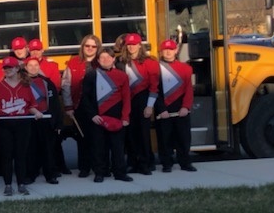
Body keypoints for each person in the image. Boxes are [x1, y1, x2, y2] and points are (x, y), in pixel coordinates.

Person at [0, 57, 43, 196]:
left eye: (10, 67)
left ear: (17, 68)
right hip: (4, 124)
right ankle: (7, 185)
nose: (7, 70)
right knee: (6, 156)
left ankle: (21, 184)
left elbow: (31, 106)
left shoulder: (25, 86)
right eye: (5, 68)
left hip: (22, 124)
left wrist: (36, 112)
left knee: (21, 155)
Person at [80, 47, 133, 183]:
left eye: (108, 57)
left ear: (113, 59)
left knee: (118, 147)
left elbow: (126, 98)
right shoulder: (91, 75)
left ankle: (120, 173)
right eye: (102, 58)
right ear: (98, 60)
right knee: (99, 147)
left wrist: (125, 117)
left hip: (117, 118)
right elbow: (85, 98)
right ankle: (100, 172)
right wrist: (92, 115)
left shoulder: (122, 75)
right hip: (98, 118)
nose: (105, 60)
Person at [118, 33, 159, 175]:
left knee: (143, 133)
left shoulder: (149, 62)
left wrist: (150, 106)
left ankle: (145, 163)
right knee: (129, 133)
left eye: (134, 44)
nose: (131, 47)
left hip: (143, 99)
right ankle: (132, 162)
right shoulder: (121, 62)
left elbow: (154, 86)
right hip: (126, 100)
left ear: (139, 45)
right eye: (129, 44)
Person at [62, 34, 101, 177]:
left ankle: (100, 167)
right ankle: (84, 168)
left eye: (93, 46)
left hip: (99, 107)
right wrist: (68, 106)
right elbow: (66, 85)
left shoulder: (102, 61)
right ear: (83, 47)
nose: (90, 49)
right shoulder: (73, 63)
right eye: (87, 46)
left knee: (98, 138)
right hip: (79, 106)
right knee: (82, 138)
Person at [155, 39, 196, 172]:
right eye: (165, 49)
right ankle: (167, 164)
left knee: (183, 138)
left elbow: (188, 90)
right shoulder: (155, 69)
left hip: (181, 109)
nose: (168, 52)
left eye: (171, 49)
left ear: (176, 51)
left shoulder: (185, 68)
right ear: (161, 51)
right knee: (164, 138)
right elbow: (154, 91)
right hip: (164, 110)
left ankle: (185, 162)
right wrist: (161, 109)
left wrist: (186, 107)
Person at [23, 57, 62, 185]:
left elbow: (55, 103)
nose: (33, 68)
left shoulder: (46, 82)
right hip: (29, 120)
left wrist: (57, 121)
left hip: (45, 119)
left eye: (36, 65)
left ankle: (50, 175)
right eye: (30, 65)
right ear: (26, 67)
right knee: (30, 149)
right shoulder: (21, 82)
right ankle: (30, 174)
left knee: (48, 149)